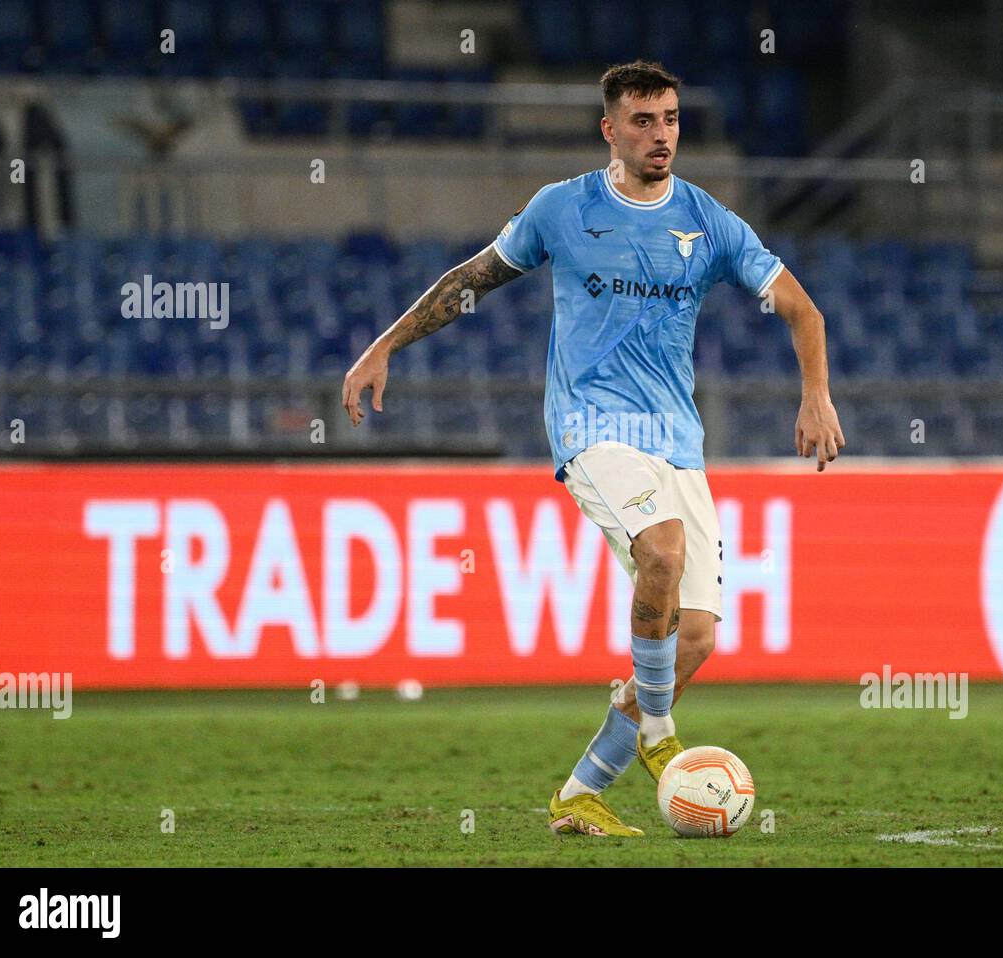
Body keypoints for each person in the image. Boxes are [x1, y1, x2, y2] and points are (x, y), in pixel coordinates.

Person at [341, 61, 845, 836]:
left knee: (699, 638)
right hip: (592, 426)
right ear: (610, 129)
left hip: (677, 441)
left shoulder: (708, 222)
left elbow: (800, 308)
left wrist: (815, 394)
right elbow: (472, 279)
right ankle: (656, 732)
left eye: (671, 119)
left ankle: (579, 793)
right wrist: (385, 344)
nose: (660, 135)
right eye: (643, 122)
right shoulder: (561, 209)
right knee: (663, 555)